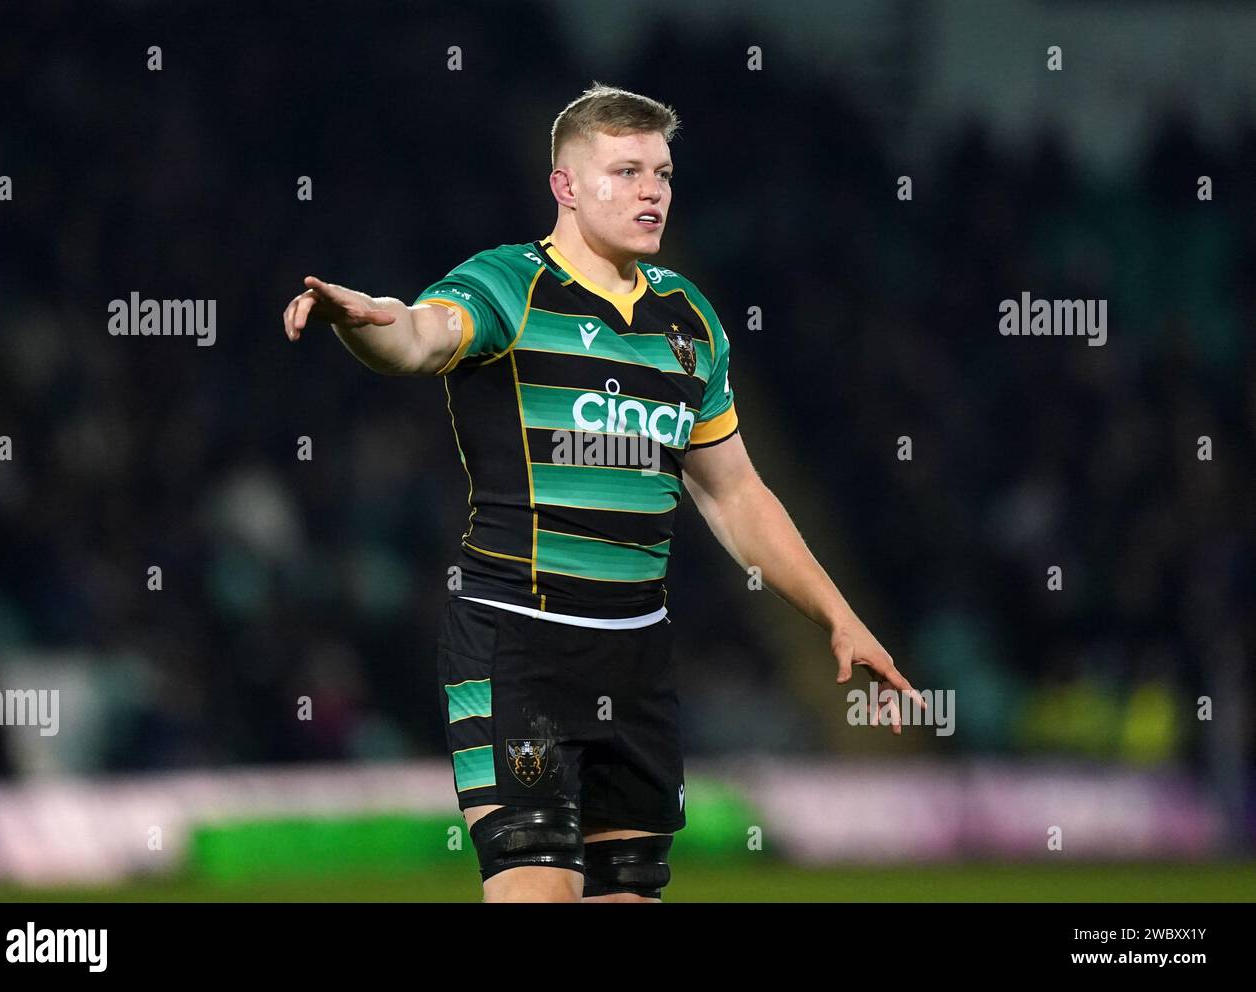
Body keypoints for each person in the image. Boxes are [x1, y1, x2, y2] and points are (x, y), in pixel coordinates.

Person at [281, 83, 922, 903]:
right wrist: (362, 318)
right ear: (566, 186)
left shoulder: (690, 324)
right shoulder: (508, 285)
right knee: (537, 890)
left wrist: (839, 616)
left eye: (661, 172)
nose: (651, 190)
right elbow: (418, 337)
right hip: (519, 644)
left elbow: (734, 495)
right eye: (625, 171)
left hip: (636, 654)